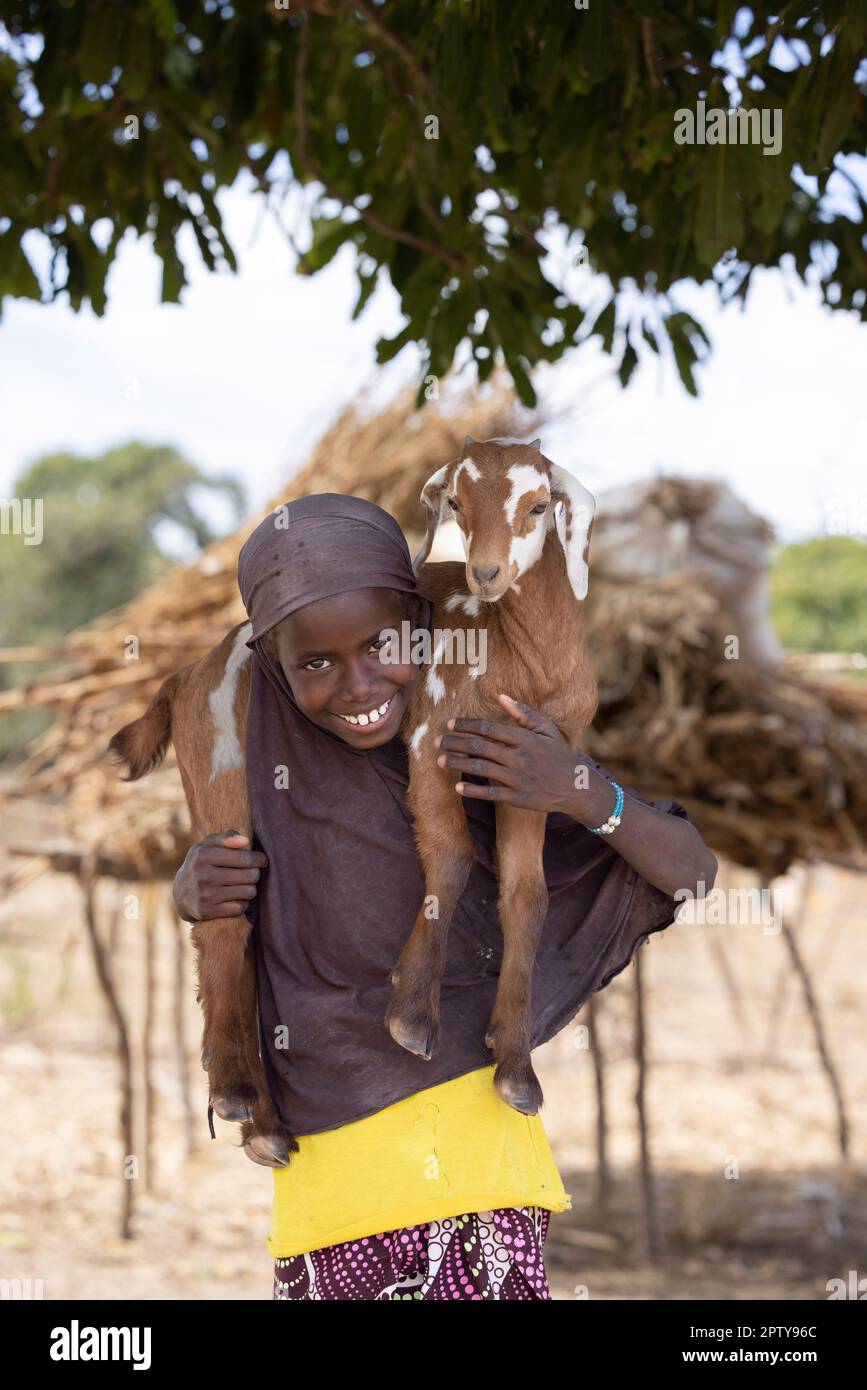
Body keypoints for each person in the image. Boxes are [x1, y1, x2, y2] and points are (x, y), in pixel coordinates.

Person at [172, 493, 717, 1301]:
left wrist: (580, 789)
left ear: (422, 627)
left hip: (477, 1187)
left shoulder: (479, 750)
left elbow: (691, 871)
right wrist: (191, 892)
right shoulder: (256, 769)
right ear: (272, 666)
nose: (357, 684)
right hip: (324, 1198)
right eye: (314, 663)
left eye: (382, 645)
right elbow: (238, 911)